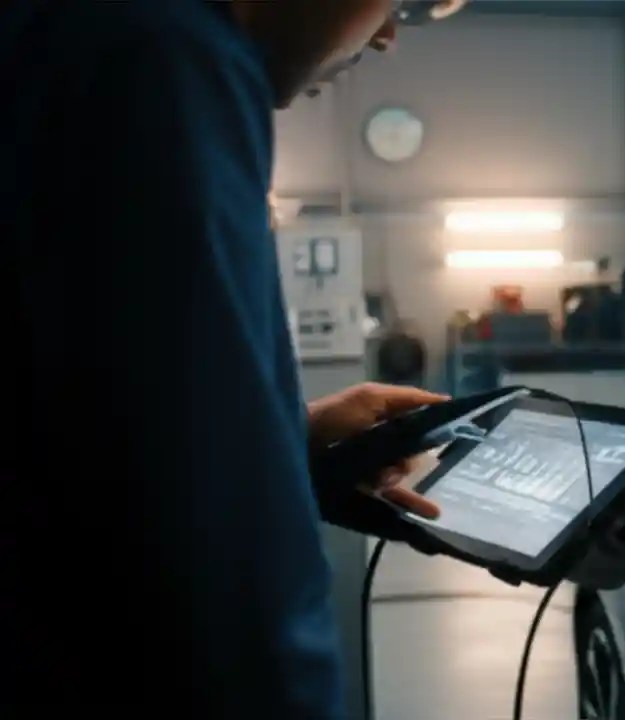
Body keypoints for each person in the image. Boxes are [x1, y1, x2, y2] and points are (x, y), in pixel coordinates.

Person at [2, 0, 451, 715]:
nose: (389, 35)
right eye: (404, 2)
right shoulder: (160, 53)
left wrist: (290, 444)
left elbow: (99, 431)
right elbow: (222, 587)